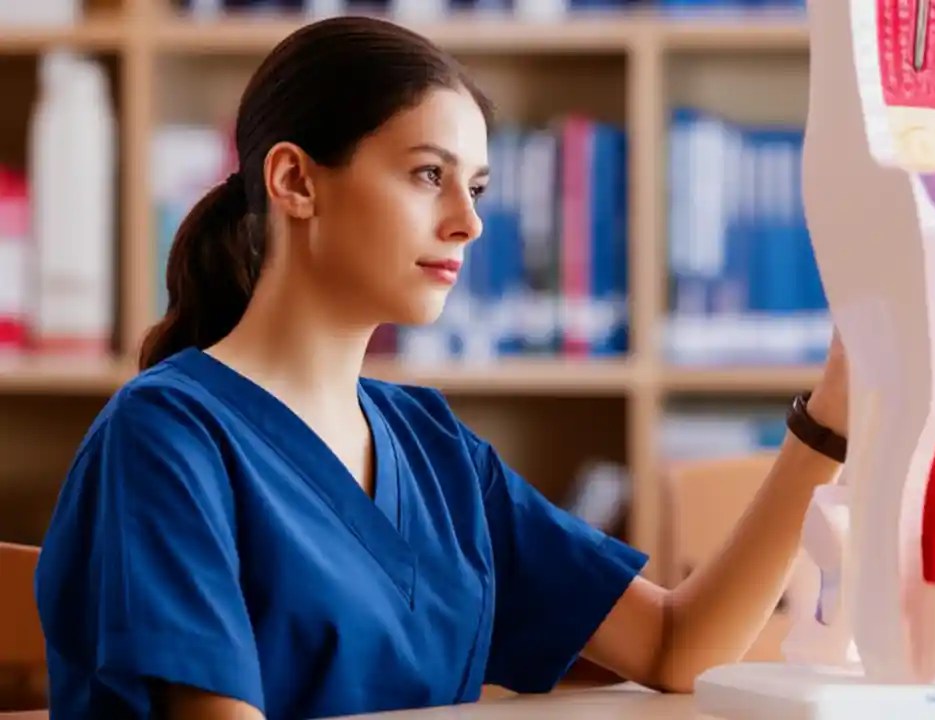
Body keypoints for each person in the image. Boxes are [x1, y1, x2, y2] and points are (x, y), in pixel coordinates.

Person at [33, 15, 850, 720]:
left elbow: (678, 647)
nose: (468, 224)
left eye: (479, 188)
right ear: (294, 181)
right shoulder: (166, 437)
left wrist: (834, 406)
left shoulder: (434, 448)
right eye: (429, 176)